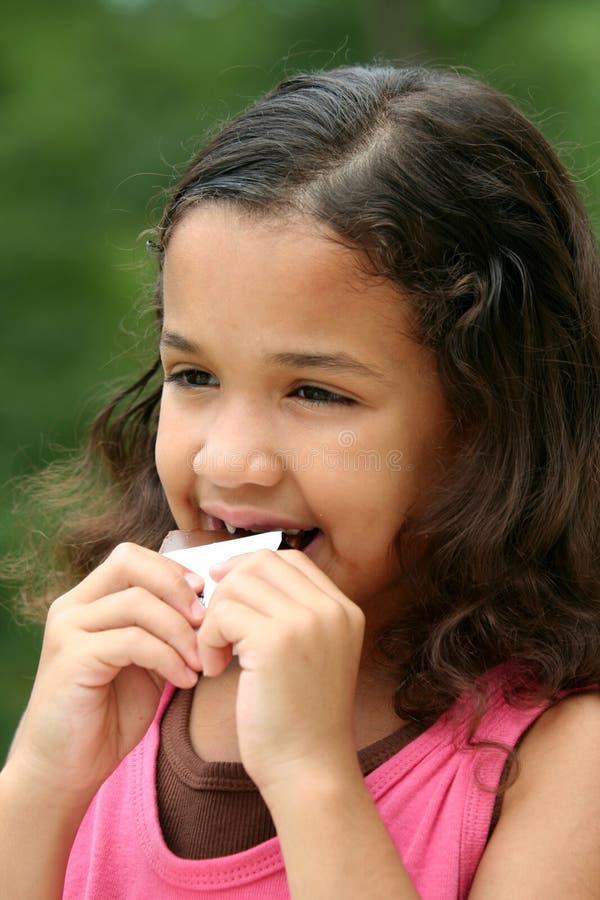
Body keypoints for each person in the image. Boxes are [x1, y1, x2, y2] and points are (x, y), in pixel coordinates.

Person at [1, 64, 599, 899]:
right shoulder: (126, 686)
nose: (227, 461)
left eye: (316, 392)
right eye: (194, 375)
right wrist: (41, 779)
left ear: (487, 422)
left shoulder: (566, 762)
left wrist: (311, 777)